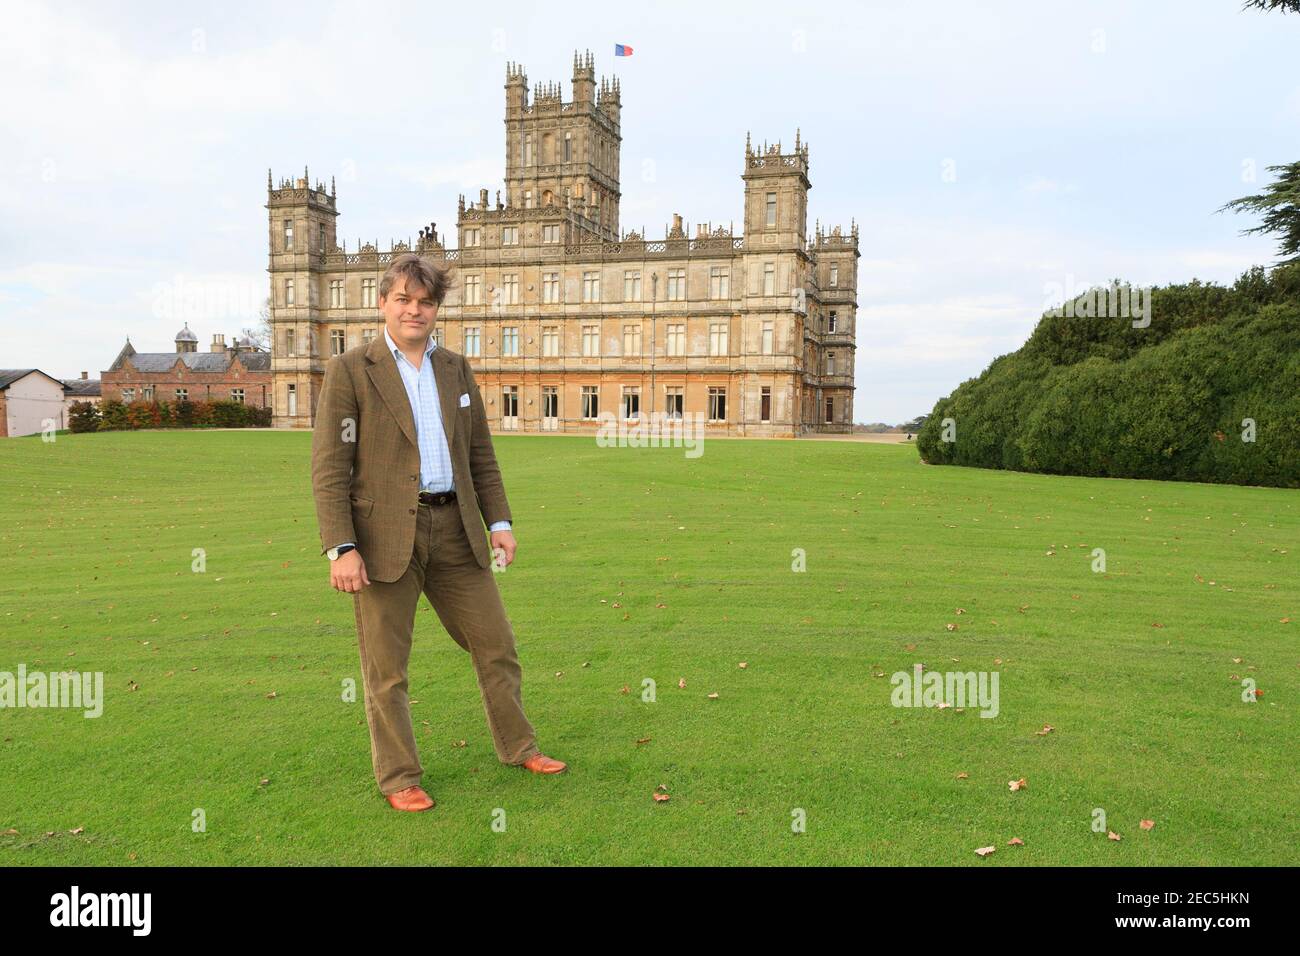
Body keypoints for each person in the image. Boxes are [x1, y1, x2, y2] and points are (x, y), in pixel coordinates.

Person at [310, 253, 565, 813]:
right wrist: (341, 547)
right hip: (381, 538)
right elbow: (330, 465)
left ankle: (519, 746)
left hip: (456, 528)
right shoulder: (351, 369)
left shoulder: (455, 369)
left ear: (436, 309)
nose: (414, 310)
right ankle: (400, 776)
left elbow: (480, 454)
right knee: (386, 669)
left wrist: (499, 523)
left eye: (425, 302)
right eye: (403, 299)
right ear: (383, 303)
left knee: (495, 643)